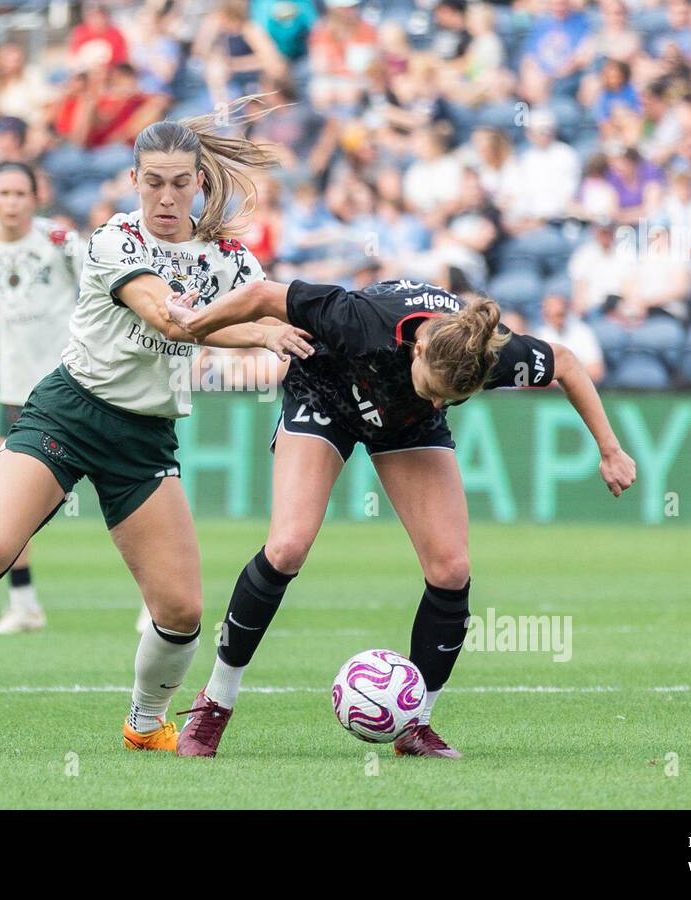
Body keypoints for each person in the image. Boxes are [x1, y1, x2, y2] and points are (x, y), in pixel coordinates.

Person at [0, 101, 315, 752]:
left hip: (145, 434)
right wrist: (259, 328)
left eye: (180, 182)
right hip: (69, 410)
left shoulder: (227, 257)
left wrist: (275, 324)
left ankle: (145, 724)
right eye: (152, 181)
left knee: (181, 611)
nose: (165, 195)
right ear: (133, 180)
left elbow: (250, 307)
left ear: (200, 182)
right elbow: (168, 316)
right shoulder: (115, 239)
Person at [161, 277, 636, 757]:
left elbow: (567, 364)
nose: (438, 402)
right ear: (420, 346)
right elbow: (264, 295)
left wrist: (610, 449)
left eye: (449, 399)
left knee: (451, 568)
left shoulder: (490, 355)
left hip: (405, 425)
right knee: (287, 546)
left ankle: (415, 723)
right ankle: (214, 704)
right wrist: (194, 323)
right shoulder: (358, 320)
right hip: (326, 392)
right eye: (433, 388)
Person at [0, 161, 83, 636]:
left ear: (35, 197)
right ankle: (24, 603)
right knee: (9, 501)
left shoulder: (60, 242)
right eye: (3, 193)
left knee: (118, 494)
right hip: (14, 391)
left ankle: (152, 603)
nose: (11, 202)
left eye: (20, 193)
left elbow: (104, 287)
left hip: (70, 382)